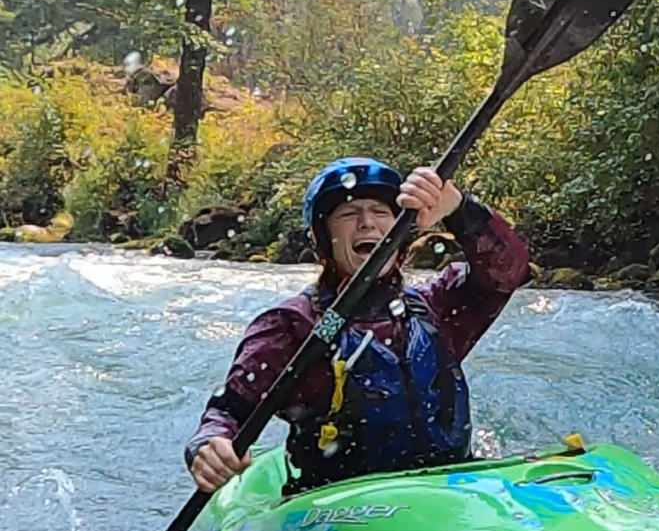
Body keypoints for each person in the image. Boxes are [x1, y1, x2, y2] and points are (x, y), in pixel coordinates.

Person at [185, 157, 530, 495]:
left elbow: (509, 270)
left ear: (401, 234)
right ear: (324, 239)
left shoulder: (438, 306)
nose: (367, 223)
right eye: (349, 213)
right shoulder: (290, 326)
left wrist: (458, 208)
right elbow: (229, 412)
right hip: (340, 504)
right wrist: (210, 445)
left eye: (381, 212)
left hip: (447, 488)